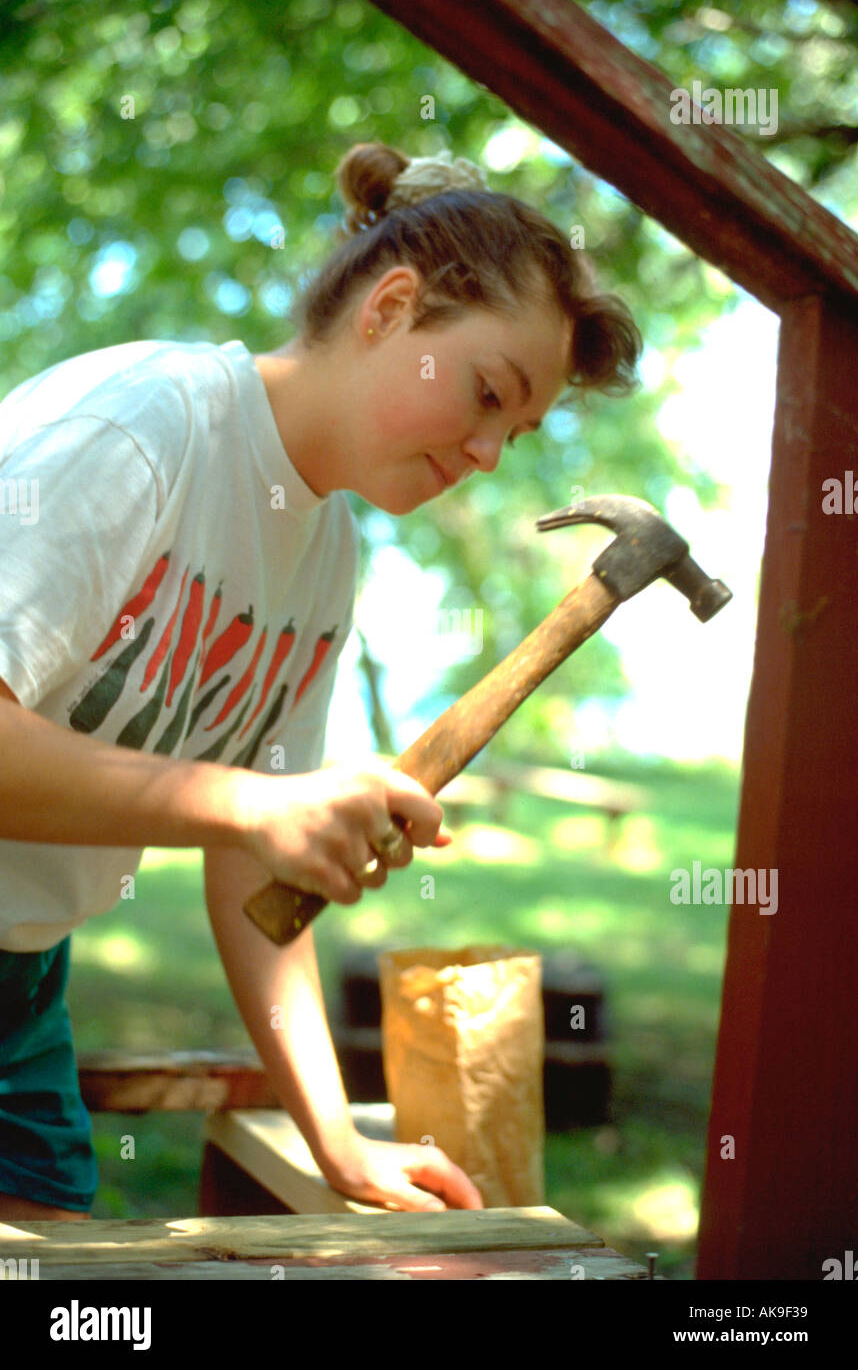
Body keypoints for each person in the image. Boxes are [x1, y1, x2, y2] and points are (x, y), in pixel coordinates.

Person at [0, 140, 642, 1221]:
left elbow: (257, 879)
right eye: (487, 394)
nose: (490, 453)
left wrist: (338, 1143)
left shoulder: (324, 556)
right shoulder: (145, 428)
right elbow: (249, 810)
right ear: (392, 308)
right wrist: (257, 802)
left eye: (516, 432)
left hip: (23, 978)